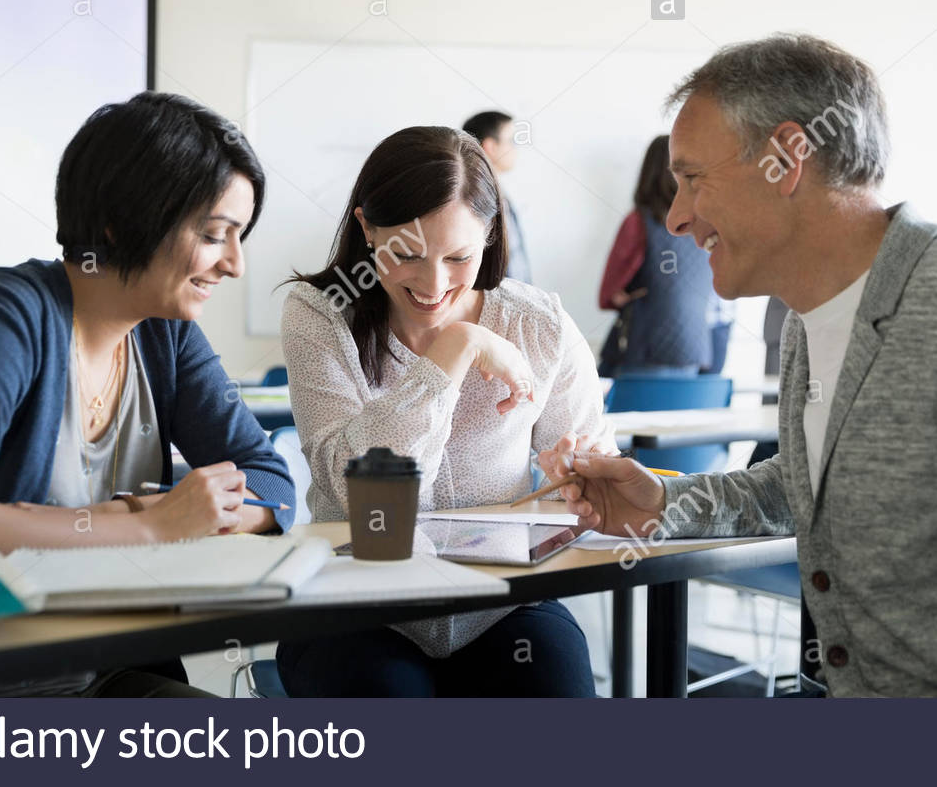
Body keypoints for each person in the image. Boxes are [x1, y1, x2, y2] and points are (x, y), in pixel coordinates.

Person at [541, 33, 937, 697]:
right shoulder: (814, 314)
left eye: (691, 180)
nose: (679, 217)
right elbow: (809, 486)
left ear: (786, 158)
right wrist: (662, 502)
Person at [0, 92, 296, 697]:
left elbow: (271, 483)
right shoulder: (4, 317)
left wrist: (172, 515)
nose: (235, 264)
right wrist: (147, 526)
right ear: (121, 221)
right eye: (214, 234)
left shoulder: (166, 335)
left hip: (97, 673)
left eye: (239, 236)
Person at [278, 125, 608, 696]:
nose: (433, 285)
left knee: (558, 690)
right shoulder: (320, 315)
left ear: (490, 235)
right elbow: (361, 488)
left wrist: (576, 479)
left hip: (500, 607)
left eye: (459, 257)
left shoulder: (539, 322)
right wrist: (456, 351)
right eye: (406, 254)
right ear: (366, 228)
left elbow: (593, 484)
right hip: (356, 606)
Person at [597, 134, 729, 377]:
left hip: (645, 349)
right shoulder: (710, 223)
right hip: (696, 350)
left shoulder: (638, 222)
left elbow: (611, 295)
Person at [462, 110, 530, 283]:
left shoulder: (499, 193)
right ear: (490, 147)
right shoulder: (476, 200)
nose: (516, 149)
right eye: (512, 141)